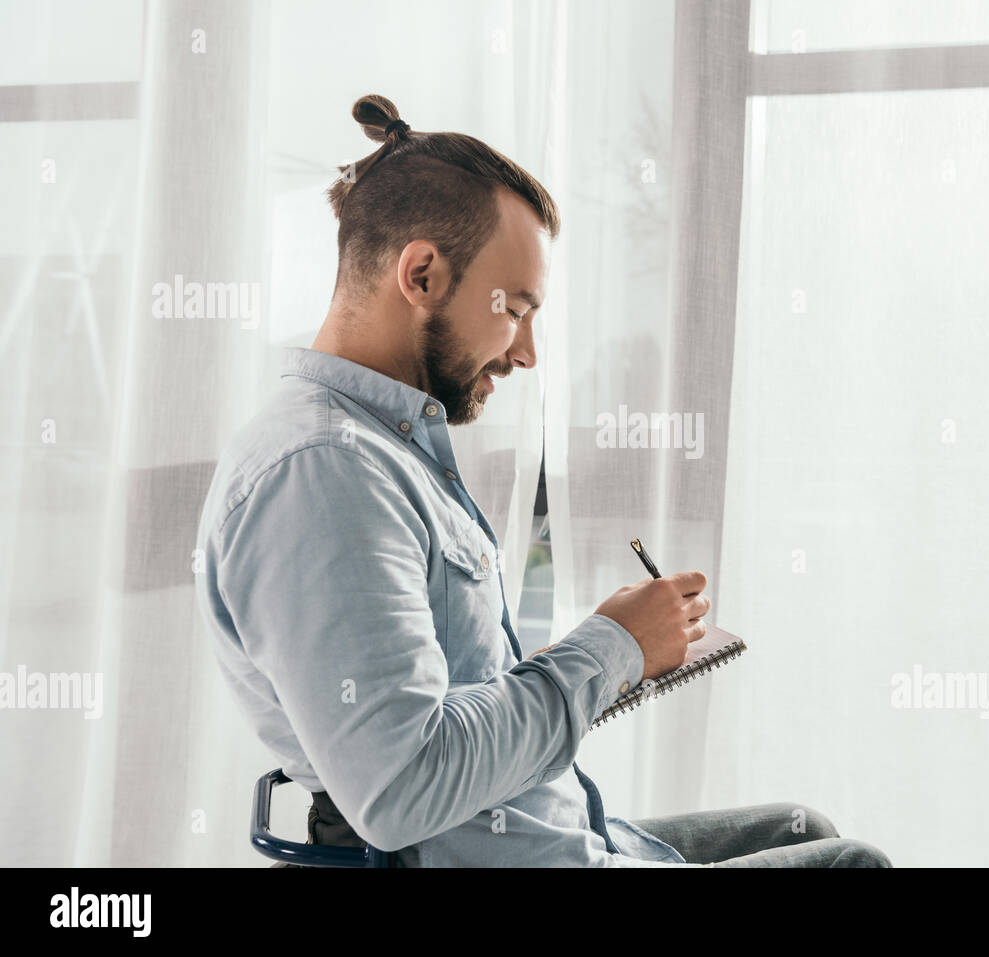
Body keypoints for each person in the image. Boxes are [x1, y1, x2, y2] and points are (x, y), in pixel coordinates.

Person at [195, 94, 891, 868]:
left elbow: (447, 702)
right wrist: (611, 647)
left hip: (552, 834)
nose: (526, 352)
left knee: (806, 827)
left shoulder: (387, 451)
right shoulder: (323, 476)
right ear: (420, 273)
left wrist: (623, 648)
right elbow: (399, 788)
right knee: (850, 864)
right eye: (514, 310)